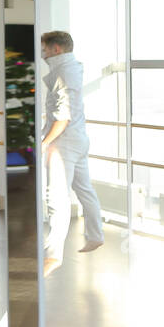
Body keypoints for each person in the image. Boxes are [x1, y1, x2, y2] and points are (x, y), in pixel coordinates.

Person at [39, 30, 104, 277]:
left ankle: (52, 255)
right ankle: (96, 235)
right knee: (84, 189)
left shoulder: (62, 73)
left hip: (64, 142)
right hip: (79, 138)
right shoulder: (74, 67)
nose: (43, 55)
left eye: (45, 50)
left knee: (56, 198)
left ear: (56, 49)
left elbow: (62, 117)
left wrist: (45, 142)